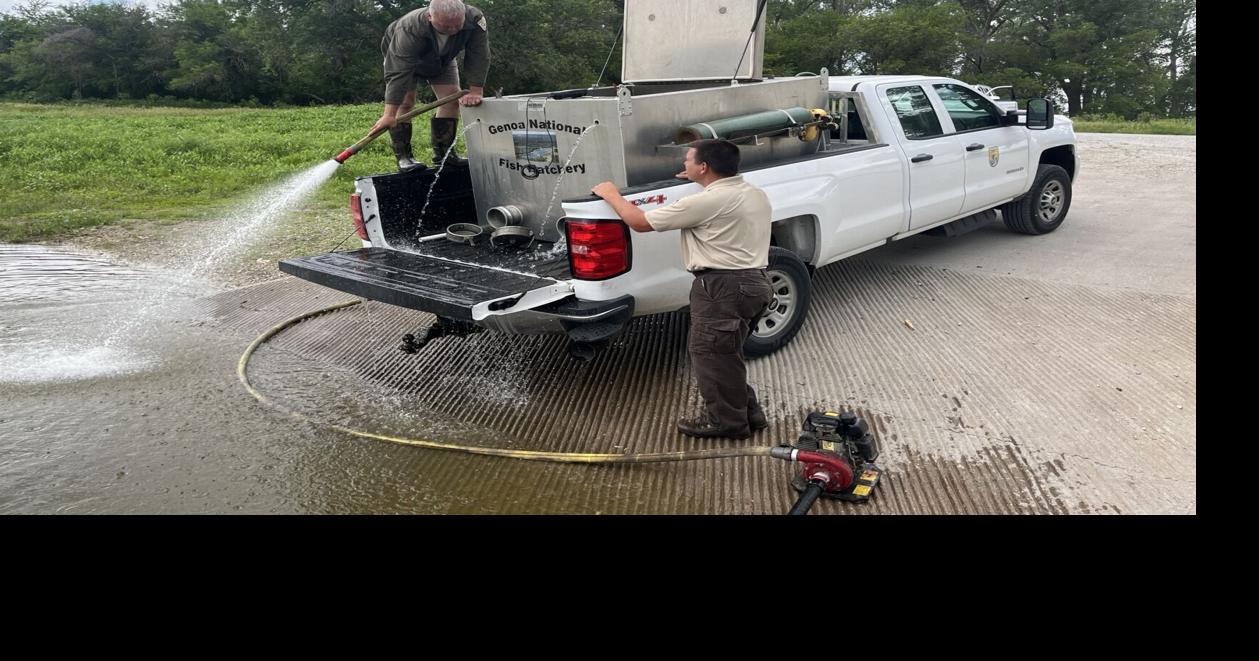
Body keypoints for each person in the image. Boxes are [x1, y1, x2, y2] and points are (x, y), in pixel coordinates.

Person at [591, 139, 775, 439]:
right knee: (725, 354)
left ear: (705, 167)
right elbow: (718, 203)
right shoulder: (753, 193)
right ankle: (749, 414)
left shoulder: (705, 202)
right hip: (754, 283)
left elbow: (639, 222)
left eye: (688, 161)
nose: (684, 166)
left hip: (721, 287)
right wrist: (697, 179)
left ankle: (727, 424)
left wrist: (610, 194)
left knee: (710, 356)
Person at [372, 0, 490, 171]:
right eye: (446, 26)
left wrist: (476, 90)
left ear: (463, 14)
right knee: (406, 102)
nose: (452, 30)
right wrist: (389, 115)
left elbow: (479, 54)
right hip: (405, 61)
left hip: (443, 60)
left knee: (451, 99)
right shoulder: (409, 28)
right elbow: (398, 73)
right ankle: (404, 157)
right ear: (430, 17)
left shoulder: (475, 19)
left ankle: (444, 155)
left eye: (457, 25)